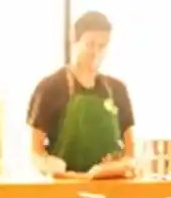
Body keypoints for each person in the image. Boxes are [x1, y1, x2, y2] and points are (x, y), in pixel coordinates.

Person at [27, 11, 136, 179]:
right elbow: (36, 153)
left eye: (102, 46)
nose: (96, 52)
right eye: (90, 44)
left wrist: (111, 168)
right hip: (65, 190)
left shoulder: (117, 89)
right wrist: (56, 169)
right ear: (74, 40)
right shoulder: (49, 88)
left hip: (112, 189)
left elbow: (130, 154)